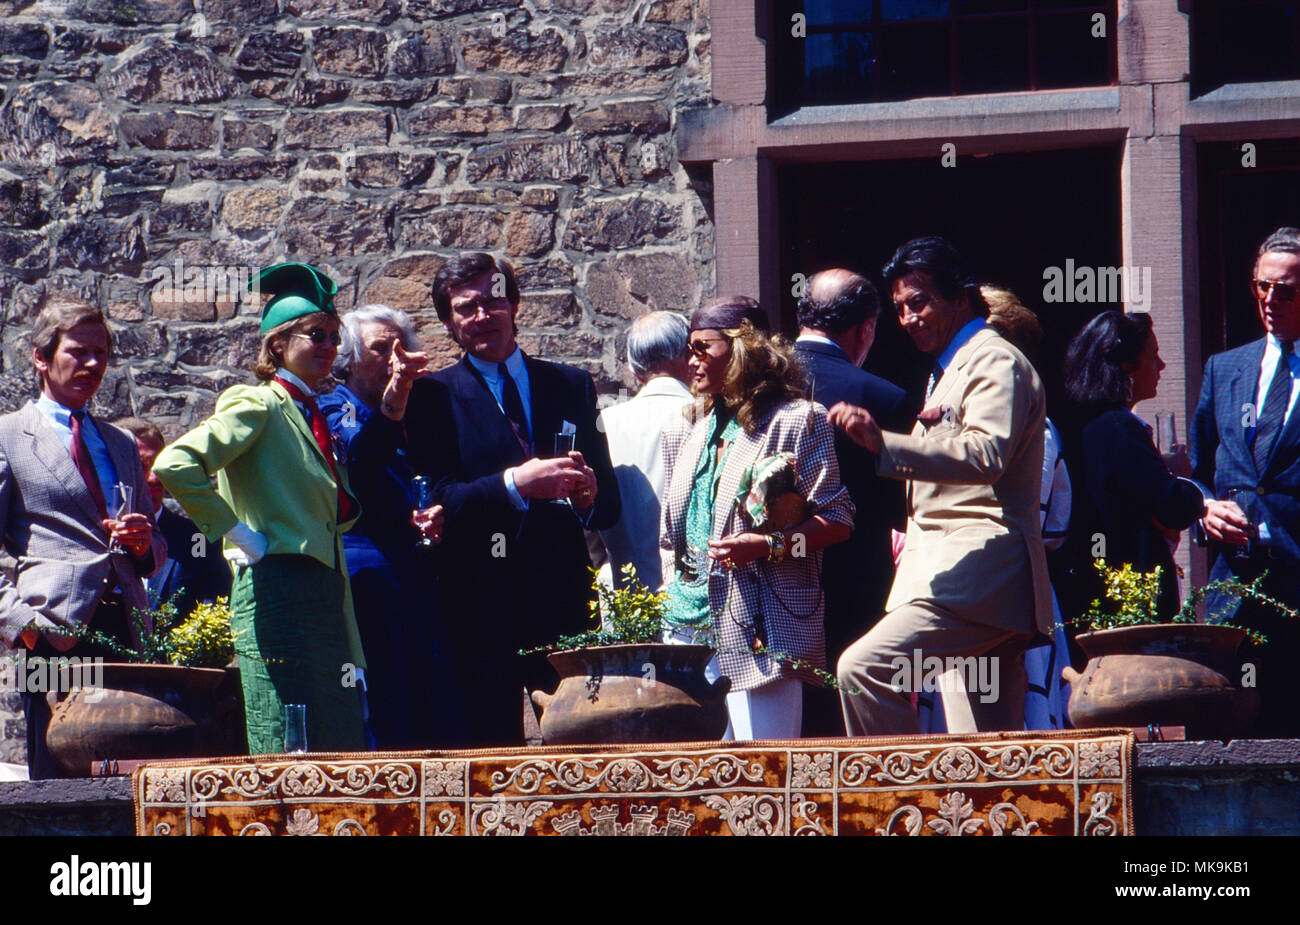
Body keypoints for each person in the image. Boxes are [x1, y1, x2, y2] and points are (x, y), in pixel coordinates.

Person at [831, 236, 1051, 736]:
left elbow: (985, 453)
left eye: (919, 302)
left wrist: (883, 444)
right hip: (963, 581)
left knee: (863, 670)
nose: (908, 319)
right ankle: (973, 813)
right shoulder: (954, 367)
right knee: (987, 752)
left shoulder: (995, 361)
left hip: (980, 580)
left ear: (960, 295)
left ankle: (897, 803)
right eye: (900, 309)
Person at [405, 252, 620, 746]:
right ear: (448, 323)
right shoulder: (431, 397)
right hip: (479, 610)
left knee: (580, 751)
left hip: (562, 602)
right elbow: (437, 499)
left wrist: (587, 496)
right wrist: (516, 484)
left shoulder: (569, 384)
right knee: (488, 760)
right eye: (466, 308)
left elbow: (608, 505)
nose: (482, 316)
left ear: (515, 303)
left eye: (493, 301)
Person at [154, 262, 367, 754]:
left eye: (335, 337)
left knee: (338, 745)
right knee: (286, 740)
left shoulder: (312, 413)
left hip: (324, 598)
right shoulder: (259, 403)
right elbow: (176, 463)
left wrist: (352, 650)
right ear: (278, 345)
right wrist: (235, 532)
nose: (329, 348)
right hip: (276, 591)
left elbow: (332, 537)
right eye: (317, 335)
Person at [659, 296, 854, 740]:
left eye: (701, 347)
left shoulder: (798, 420)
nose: (690, 361)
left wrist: (770, 546)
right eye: (688, 349)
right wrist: (672, 594)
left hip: (763, 629)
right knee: (700, 781)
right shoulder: (684, 428)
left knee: (767, 774)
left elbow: (838, 520)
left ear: (742, 346)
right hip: (686, 632)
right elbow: (670, 538)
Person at [0, 303, 165, 778]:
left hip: (127, 631)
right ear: (40, 357)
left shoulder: (119, 443)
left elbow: (155, 549)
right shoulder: (10, 436)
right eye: (78, 352)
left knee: (127, 777)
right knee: (56, 780)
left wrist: (140, 544)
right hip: (52, 634)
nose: (93, 364)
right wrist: (23, 624)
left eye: (102, 353)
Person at [917, 288, 1074, 731]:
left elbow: (1039, 523)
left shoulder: (1033, 429)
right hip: (953, 583)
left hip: (1008, 588)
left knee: (1011, 724)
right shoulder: (954, 424)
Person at [319, 304, 464, 749]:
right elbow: (362, 461)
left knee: (434, 698)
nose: (393, 357)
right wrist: (398, 392)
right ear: (350, 358)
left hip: (416, 570)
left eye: (401, 347)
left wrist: (432, 512)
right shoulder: (332, 406)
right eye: (380, 348)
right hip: (367, 571)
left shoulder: (418, 411)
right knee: (388, 699)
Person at [1192, 226, 1300, 738]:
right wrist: (1205, 510)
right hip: (1234, 586)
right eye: (1262, 287)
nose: (1270, 300)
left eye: (1287, 290)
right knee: (1226, 735)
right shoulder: (1224, 368)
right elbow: (1196, 474)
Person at [793, 269, 909, 736]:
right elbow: (901, 508)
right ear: (866, 328)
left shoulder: (753, 384)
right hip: (856, 580)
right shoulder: (882, 396)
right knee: (849, 722)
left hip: (762, 578)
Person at [1057, 310, 1203, 630]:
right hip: (1131, 598)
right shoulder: (1119, 427)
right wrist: (1180, 477)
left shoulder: (1084, 425)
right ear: (1126, 364)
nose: (1161, 366)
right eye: (1153, 356)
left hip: (1094, 591)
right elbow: (1173, 506)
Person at [597, 311, 694, 591]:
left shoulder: (605, 422)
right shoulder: (705, 418)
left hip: (623, 596)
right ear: (686, 355)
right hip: (689, 596)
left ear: (636, 368)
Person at [113, 417, 232, 620]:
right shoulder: (89, 537)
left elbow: (213, 601)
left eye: (160, 465)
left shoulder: (197, 538)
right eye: (141, 466)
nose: (154, 478)